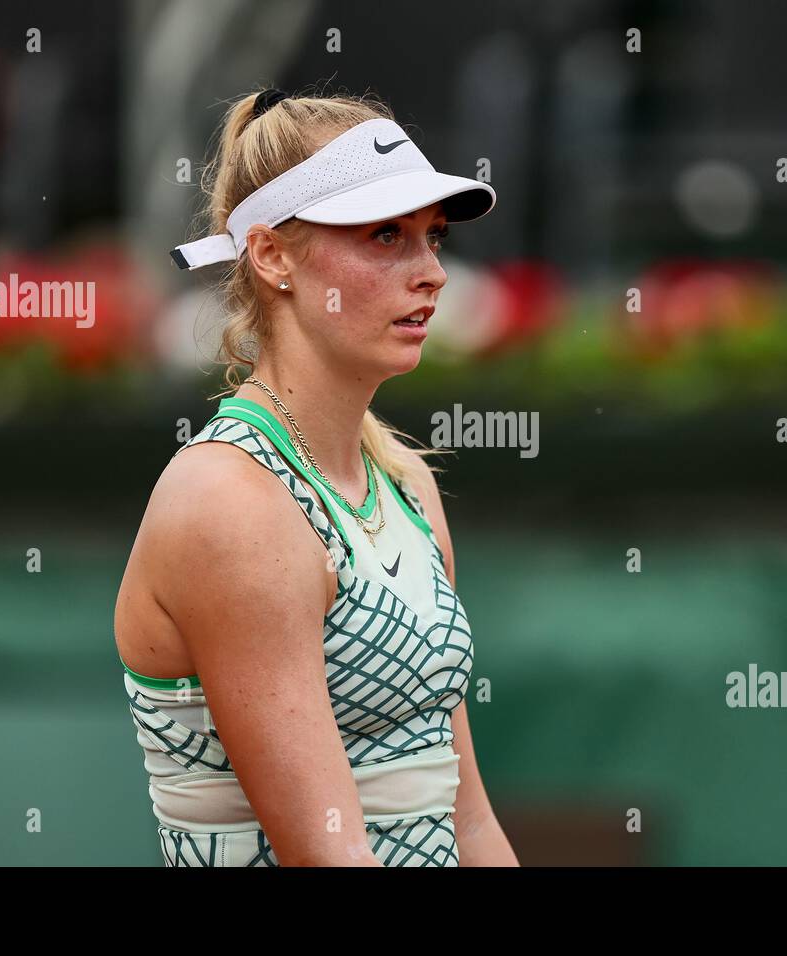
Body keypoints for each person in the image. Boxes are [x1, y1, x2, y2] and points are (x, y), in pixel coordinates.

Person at [113, 87, 518, 867]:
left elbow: (469, 823)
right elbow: (329, 857)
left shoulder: (405, 483)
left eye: (433, 238)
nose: (431, 271)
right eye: (385, 236)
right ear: (271, 258)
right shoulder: (228, 504)